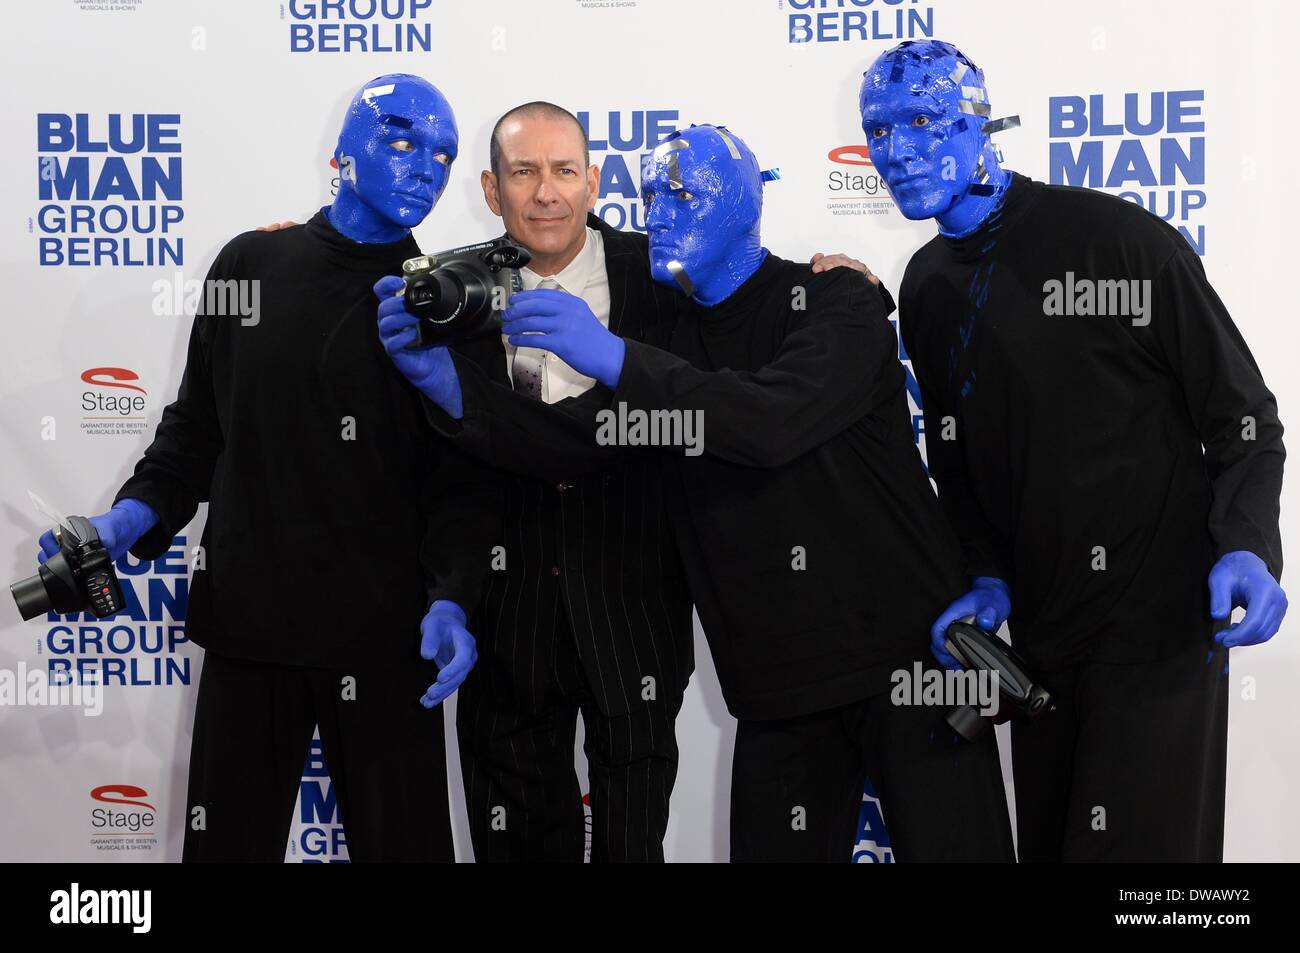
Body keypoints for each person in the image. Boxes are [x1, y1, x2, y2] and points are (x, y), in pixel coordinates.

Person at [378, 120, 1016, 862]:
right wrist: (447, 386)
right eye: (650, 194)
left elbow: (771, 421)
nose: (660, 213)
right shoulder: (667, 344)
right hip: (779, 691)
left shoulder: (836, 297)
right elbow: (573, 445)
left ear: (747, 205)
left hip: (913, 663)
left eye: (682, 193)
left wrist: (612, 355)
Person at [38, 74, 500, 862]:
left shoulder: (456, 303)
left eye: (444, 155)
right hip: (252, 632)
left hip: (390, 646)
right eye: (401, 139)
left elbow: (464, 485)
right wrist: (125, 521)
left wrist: (453, 600)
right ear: (343, 152)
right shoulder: (250, 262)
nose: (425, 165)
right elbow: (193, 436)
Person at [860, 39, 1287, 861]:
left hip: (1158, 623)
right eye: (878, 129)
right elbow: (958, 457)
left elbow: (1242, 414)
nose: (897, 150)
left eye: (920, 119)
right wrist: (987, 576)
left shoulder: (1117, 241)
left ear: (979, 122)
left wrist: (1247, 543)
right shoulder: (925, 285)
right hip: (1045, 638)